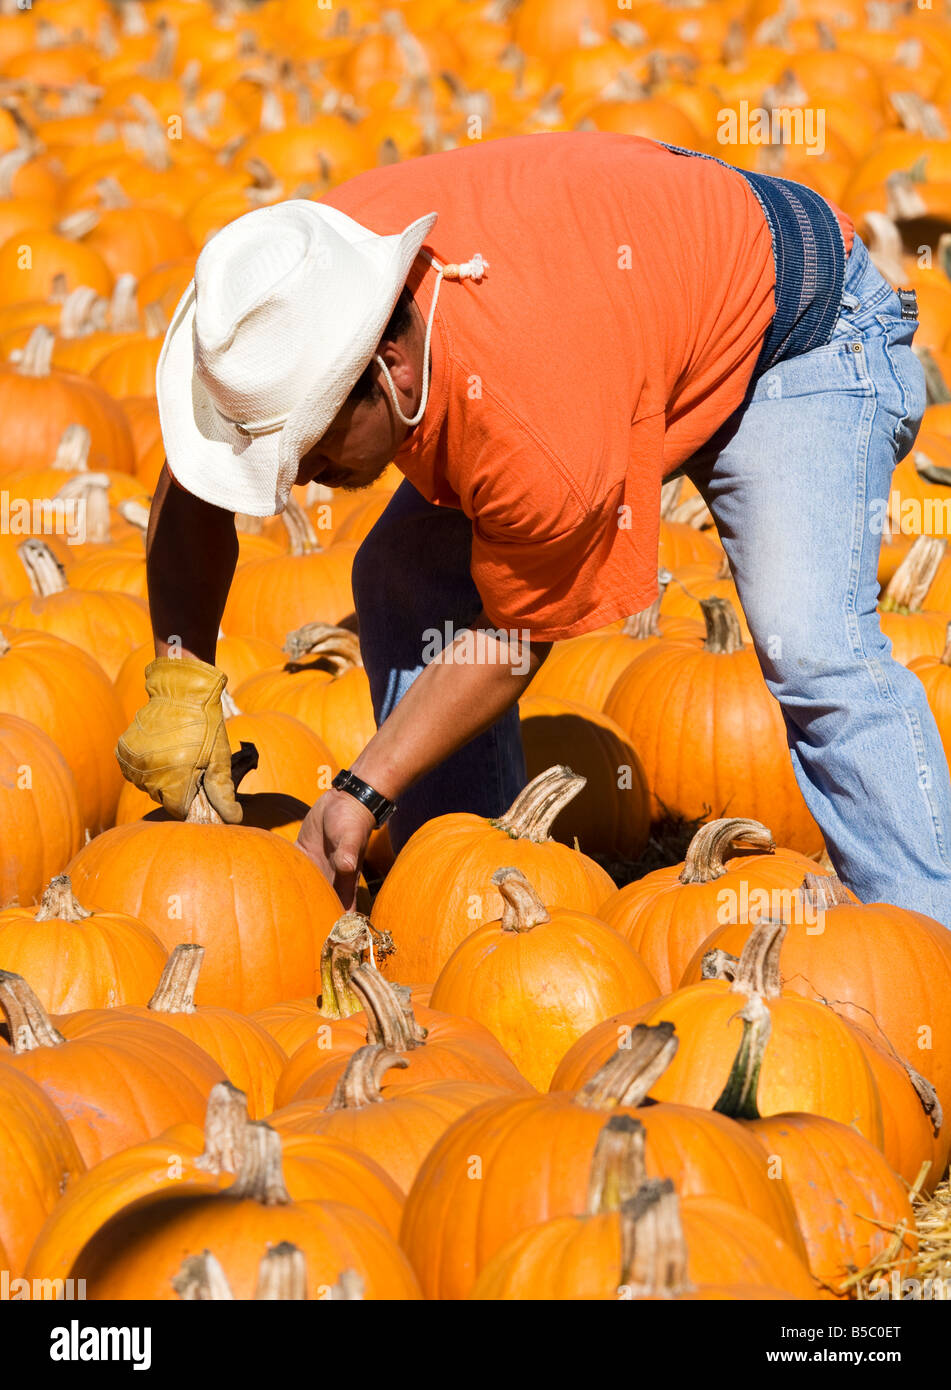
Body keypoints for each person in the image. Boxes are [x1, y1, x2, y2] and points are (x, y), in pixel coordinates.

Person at [116, 131, 951, 927]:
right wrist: (179, 678)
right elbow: (196, 479)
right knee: (400, 572)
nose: (296, 477)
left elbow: (510, 639)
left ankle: (930, 939)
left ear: (389, 370)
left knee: (815, 651)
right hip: (637, 315)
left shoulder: (531, 426)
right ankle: (467, 896)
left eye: (312, 445)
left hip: (801, 333)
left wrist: (362, 789)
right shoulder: (299, 282)